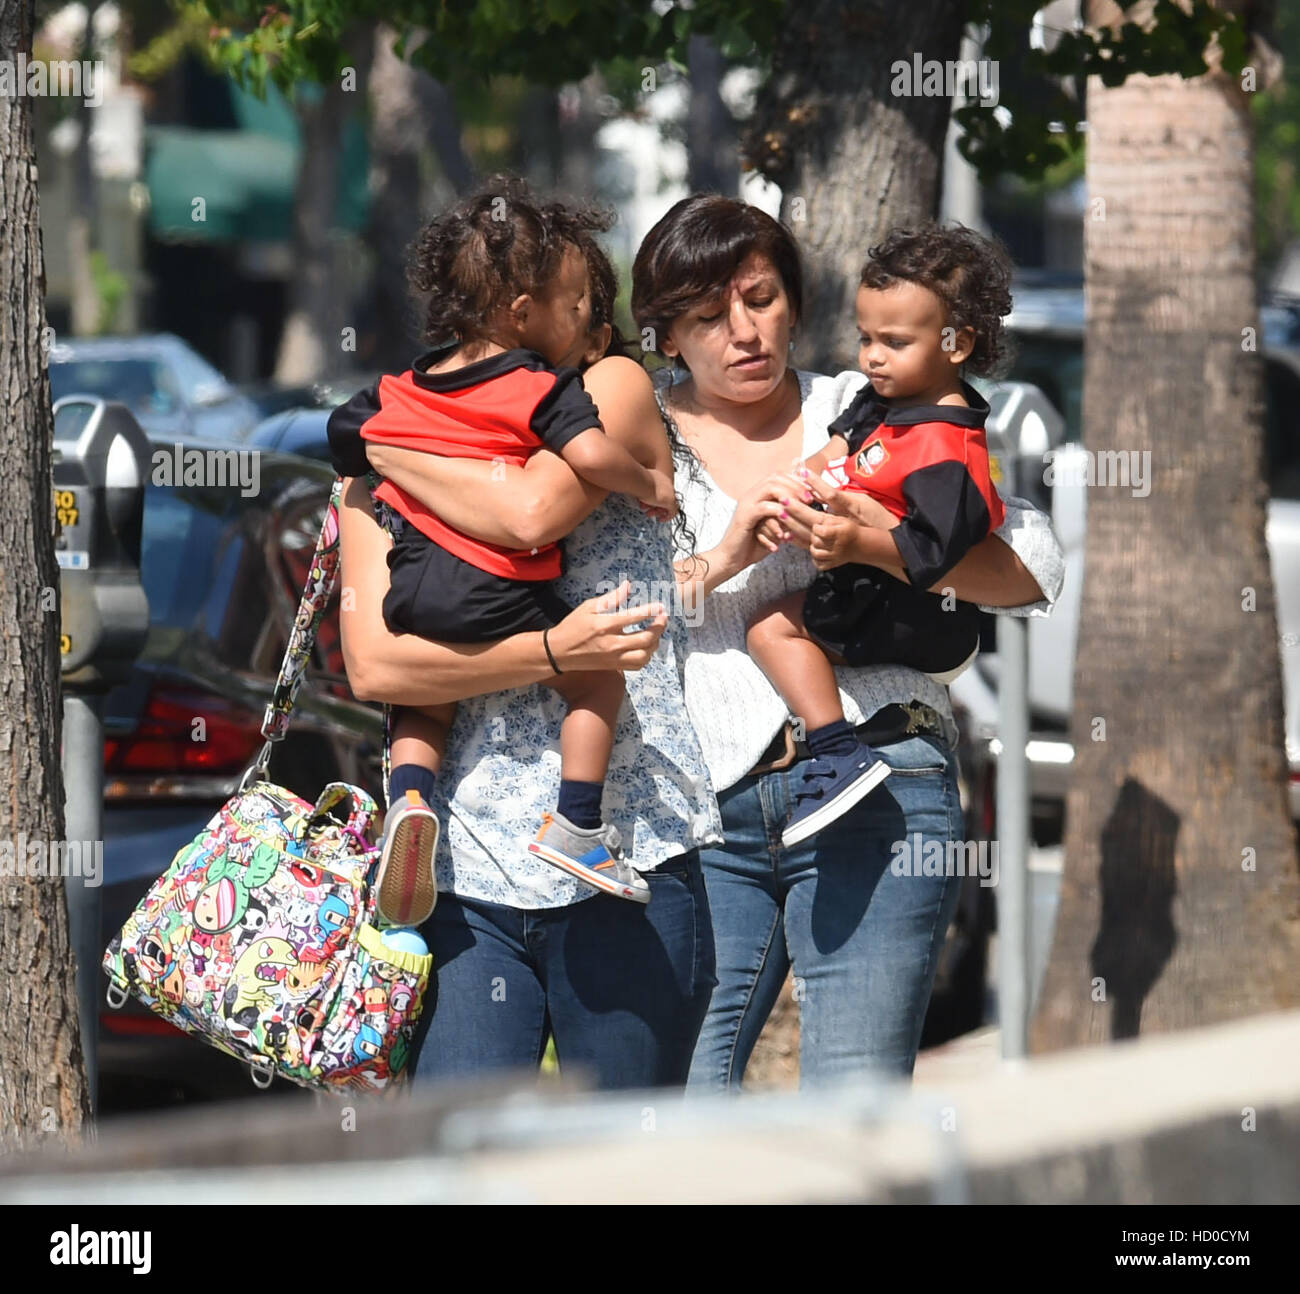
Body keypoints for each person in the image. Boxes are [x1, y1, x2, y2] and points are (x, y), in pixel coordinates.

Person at [362, 192, 1063, 1088]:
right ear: (662, 335)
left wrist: (879, 548)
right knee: (687, 1102)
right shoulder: (622, 422)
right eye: (706, 316)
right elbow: (609, 605)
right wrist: (727, 552)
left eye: (763, 299)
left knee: (857, 1100)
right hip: (710, 812)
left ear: (796, 303)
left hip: (880, 781)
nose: (744, 332)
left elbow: (1032, 563)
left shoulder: (870, 405)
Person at [327, 180, 678, 921]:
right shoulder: (541, 389)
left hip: (416, 582)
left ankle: (409, 801)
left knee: (423, 699)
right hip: (499, 589)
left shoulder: (406, 388)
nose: (592, 321)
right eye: (576, 303)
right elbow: (539, 507)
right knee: (595, 677)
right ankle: (579, 821)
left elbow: (345, 434)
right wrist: (647, 480)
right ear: (523, 312)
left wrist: (388, 451)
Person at [745, 223, 1012, 848]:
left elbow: (936, 555)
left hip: (920, 611)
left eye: (894, 341)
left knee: (771, 628)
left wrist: (854, 541)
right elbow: (831, 457)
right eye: (867, 338)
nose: (873, 356)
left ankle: (836, 753)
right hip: (872, 582)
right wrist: (792, 497)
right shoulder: (881, 400)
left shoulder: (946, 447)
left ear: (956, 343)